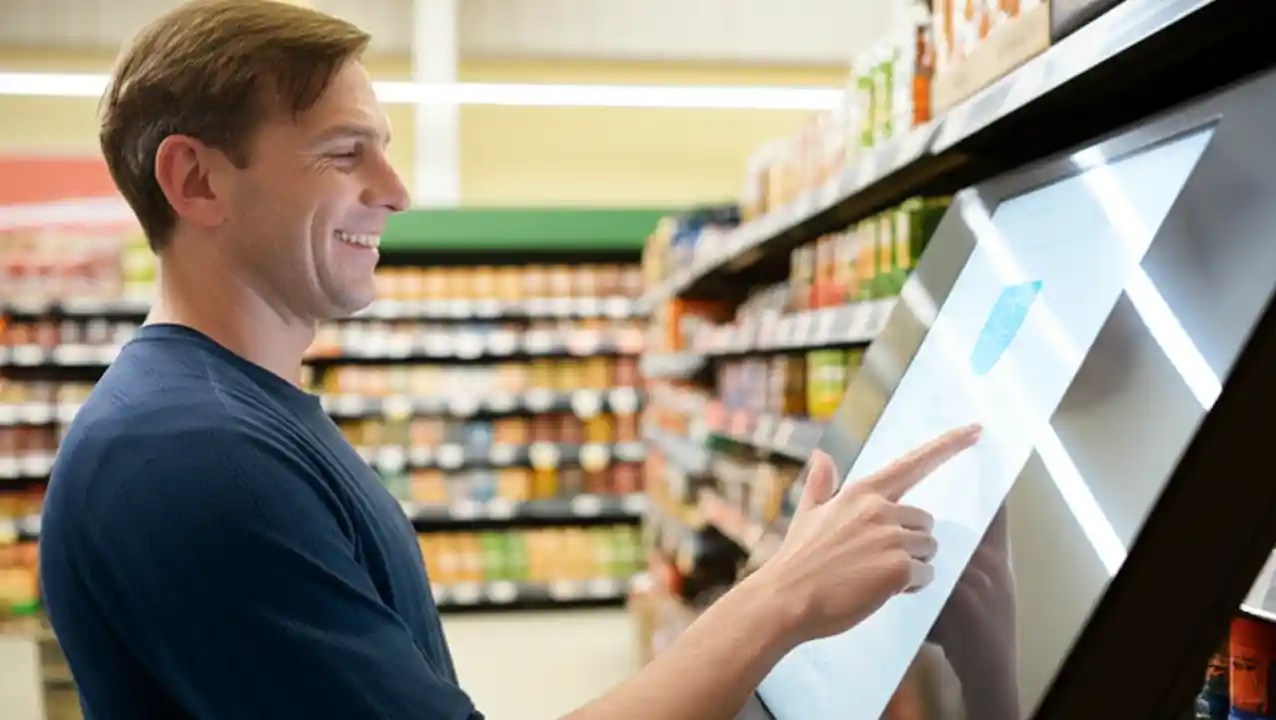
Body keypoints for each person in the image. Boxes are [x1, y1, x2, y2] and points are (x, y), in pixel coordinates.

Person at [38, 2, 982, 719]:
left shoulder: (239, 415)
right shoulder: (184, 452)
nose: (397, 191)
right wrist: (779, 599)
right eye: (344, 153)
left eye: (388, 151)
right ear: (196, 179)